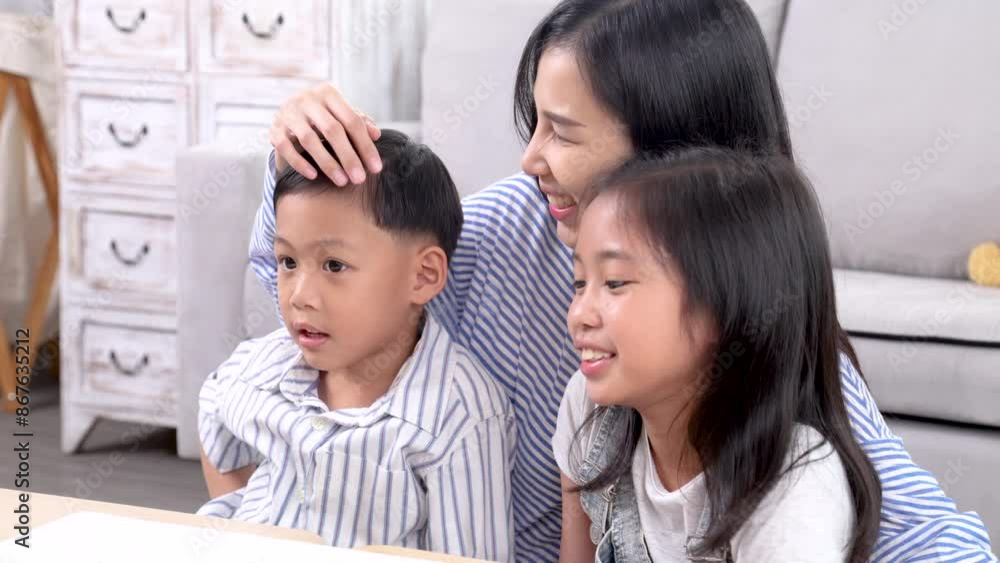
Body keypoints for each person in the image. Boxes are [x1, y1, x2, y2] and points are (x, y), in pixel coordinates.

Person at [253, 0, 995, 560]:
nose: (531, 159)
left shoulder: (760, 343)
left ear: (679, 162)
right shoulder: (518, 225)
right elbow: (323, 290)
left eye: (564, 131)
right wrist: (302, 160)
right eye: (533, 123)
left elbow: (921, 529)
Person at [198, 130, 515, 561]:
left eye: (334, 265)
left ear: (422, 276)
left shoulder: (458, 413)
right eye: (288, 262)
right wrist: (234, 518)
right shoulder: (266, 366)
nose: (299, 295)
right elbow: (214, 403)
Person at [555, 148, 881, 562]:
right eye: (580, 283)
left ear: (726, 308)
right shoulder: (590, 412)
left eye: (615, 282)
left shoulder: (792, 482)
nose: (578, 315)